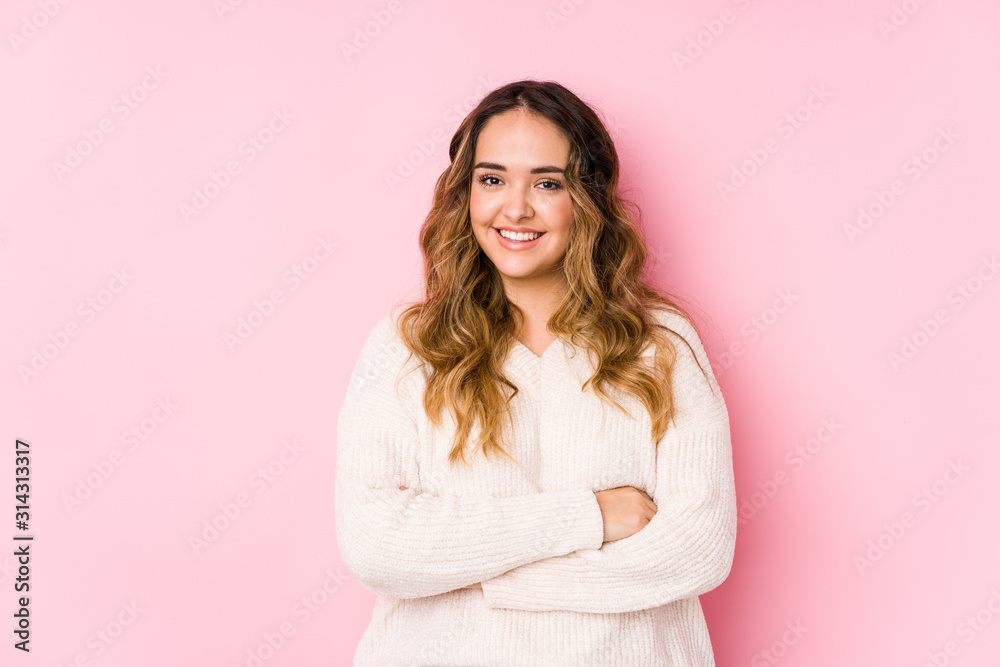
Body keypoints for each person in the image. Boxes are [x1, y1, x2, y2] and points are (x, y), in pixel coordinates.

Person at [335, 79, 736, 666]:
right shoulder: (406, 347)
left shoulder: (660, 346)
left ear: (589, 198)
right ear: (464, 193)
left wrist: (484, 580)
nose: (515, 207)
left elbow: (699, 547)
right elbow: (376, 544)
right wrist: (590, 515)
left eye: (547, 183)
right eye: (492, 179)